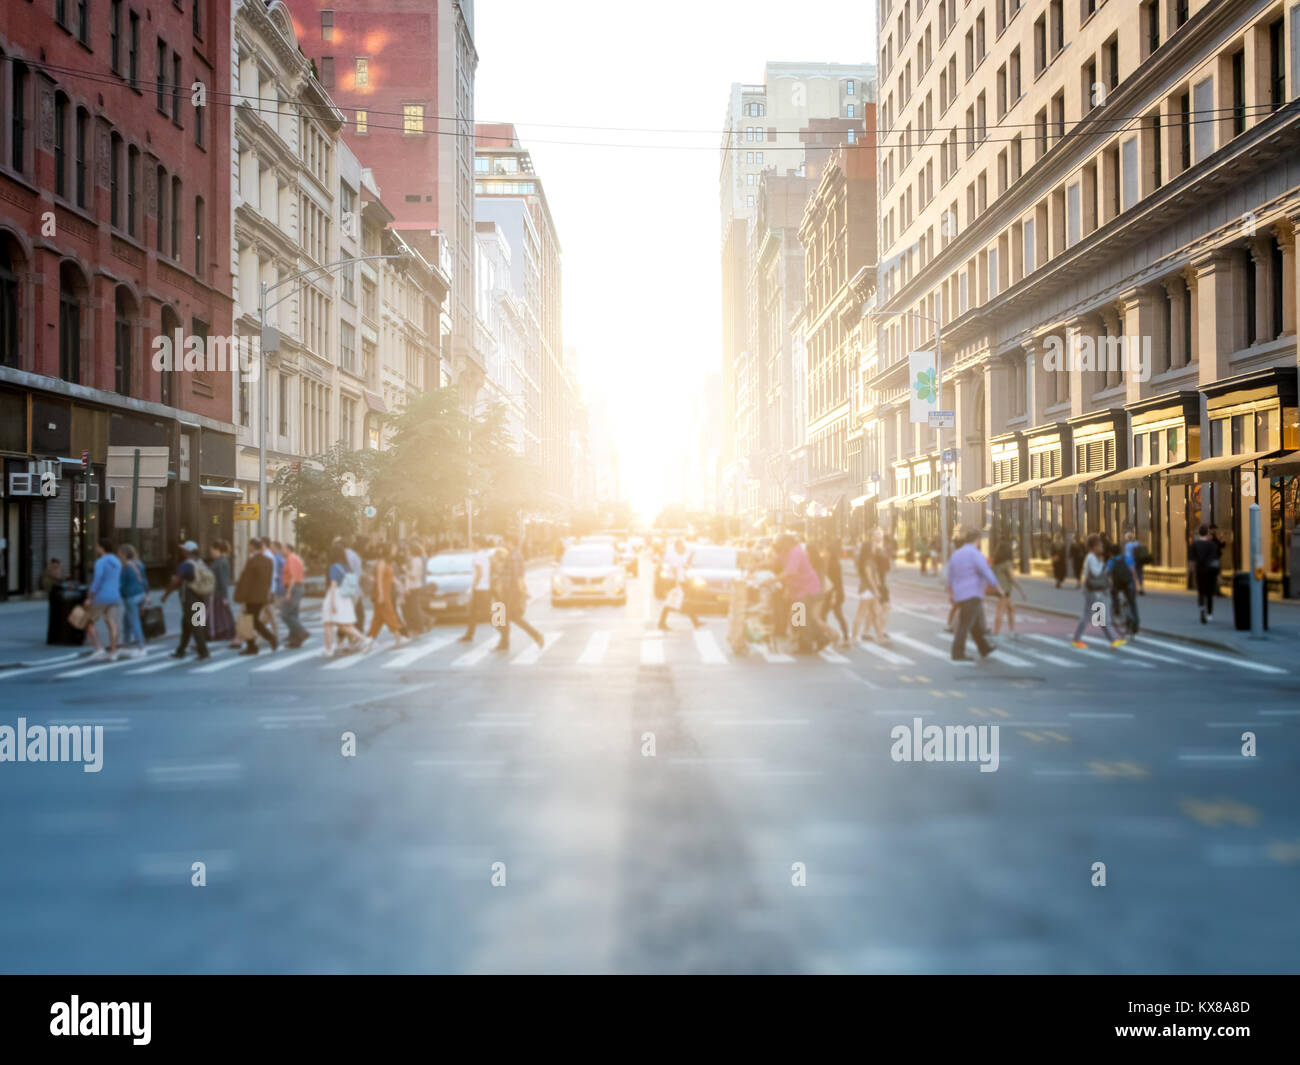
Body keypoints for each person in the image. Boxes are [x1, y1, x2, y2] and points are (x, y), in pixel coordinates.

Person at [945, 529, 1003, 661]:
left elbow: (950, 575)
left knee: (974, 624)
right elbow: (986, 571)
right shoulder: (975, 554)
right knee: (965, 624)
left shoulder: (956, 554)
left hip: (960, 594)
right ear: (977, 540)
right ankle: (957, 653)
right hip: (973, 593)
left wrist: (950, 592)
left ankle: (984, 648)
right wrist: (997, 587)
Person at [774, 533, 825, 653]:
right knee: (800, 618)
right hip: (798, 591)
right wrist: (757, 566)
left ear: (788, 543)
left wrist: (771, 580)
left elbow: (790, 572)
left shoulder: (795, 552)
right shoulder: (785, 552)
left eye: (781, 543)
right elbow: (774, 562)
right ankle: (819, 639)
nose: (779, 546)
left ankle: (808, 644)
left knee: (800, 618)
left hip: (808, 589)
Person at [1072, 534, 1125, 648]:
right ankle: (1112, 639)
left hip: (1093, 590)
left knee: (1096, 616)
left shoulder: (1091, 557)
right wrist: (1101, 563)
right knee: (1094, 616)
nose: (1102, 548)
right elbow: (1096, 573)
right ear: (1094, 547)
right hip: (1093, 591)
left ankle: (1113, 639)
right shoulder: (1091, 557)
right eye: (1100, 546)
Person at [493, 535, 544, 651]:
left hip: (511, 590)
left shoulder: (513, 556)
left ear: (509, 541)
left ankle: (536, 635)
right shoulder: (514, 555)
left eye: (504, 541)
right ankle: (504, 643)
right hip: (510, 590)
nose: (503, 544)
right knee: (506, 617)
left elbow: (517, 576)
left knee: (509, 617)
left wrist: (522, 591)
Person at [162, 540, 211, 660]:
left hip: (190, 599)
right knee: (187, 625)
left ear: (187, 551)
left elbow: (176, 581)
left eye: (184, 550)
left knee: (195, 626)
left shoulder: (186, 565)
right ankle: (181, 650)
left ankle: (203, 652)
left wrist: (166, 595)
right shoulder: (201, 563)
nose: (182, 551)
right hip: (202, 597)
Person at [233, 536, 277, 655]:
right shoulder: (268, 561)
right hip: (262, 596)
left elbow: (246, 581)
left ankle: (257, 644)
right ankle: (257, 643)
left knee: (249, 621)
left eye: (250, 547)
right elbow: (268, 580)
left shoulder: (252, 561)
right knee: (253, 620)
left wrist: (242, 598)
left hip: (251, 597)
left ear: (252, 547)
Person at [321, 542, 367, 657]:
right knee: (345, 625)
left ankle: (329, 649)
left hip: (335, 595)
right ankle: (364, 639)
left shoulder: (333, 567)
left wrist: (331, 602)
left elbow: (333, 585)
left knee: (328, 624)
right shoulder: (346, 567)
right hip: (345, 597)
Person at [83, 538, 123, 661]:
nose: (96, 549)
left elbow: (97, 581)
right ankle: (114, 651)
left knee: (88, 621)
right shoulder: (117, 562)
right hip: (114, 596)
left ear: (101, 548)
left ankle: (98, 648)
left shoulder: (100, 562)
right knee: (112, 623)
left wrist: (90, 596)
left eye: (98, 546)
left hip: (101, 596)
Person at [367, 543, 409, 648]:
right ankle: (398, 637)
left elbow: (392, 578)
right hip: (382, 593)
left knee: (378, 619)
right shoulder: (381, 563)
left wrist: (401, 586)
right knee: (389, 614)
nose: (395, 551)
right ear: (388, 550)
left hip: (386, 593)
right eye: (393, 549)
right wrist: (381, 594)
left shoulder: (389, 563)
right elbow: (379, 580)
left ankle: (369, 640)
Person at [658, 536, 703, 630]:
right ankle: (661, 623)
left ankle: (695, 622)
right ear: (677, 546)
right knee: (671, 603)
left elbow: (681, 568)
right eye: (681, 546)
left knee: (683, 602)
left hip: (680, 582)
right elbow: (675, 570)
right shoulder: (674, 556)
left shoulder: (679, 556)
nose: (683, 547)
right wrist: (677, 584)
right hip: (676, 583)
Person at [458, 537, 495, 642]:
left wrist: (473, 587)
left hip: (479, 588)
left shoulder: (477, 556)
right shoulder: (487, 554)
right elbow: (491, 568)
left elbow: (479, 573)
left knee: (485, 613)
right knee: (474, 612)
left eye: (473, 544)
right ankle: (469, 635)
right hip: (485, 587)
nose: (472, 546)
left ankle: (503, 632)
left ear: (477, 544)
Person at [116, 543, 149, 658]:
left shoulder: (125, 567)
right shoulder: (139, 564)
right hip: (140, 595)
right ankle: (125, 645)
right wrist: (147, 594)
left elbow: (121, 583)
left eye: (119, 553)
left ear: (123, 554)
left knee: (134, 621)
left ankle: (141, 646)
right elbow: (144, 580)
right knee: (126, 620)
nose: (118, 555)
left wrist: (117, 593)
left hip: (130, 597)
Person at [818, 541, 850, 648]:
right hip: (830, 593)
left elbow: (836, 582)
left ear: (829, 552)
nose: (823, 552)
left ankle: (841, 637)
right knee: (826, 615)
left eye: (825, 551)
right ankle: (840, 637)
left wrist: (833, 596)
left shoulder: (834, 564)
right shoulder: (828, 562)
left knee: (833, 615)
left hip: (834, 594)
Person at [990, 539, 1023, 638]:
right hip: (1005, 590)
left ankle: (1012, 632)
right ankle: (996, 633)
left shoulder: (995, 563)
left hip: (998, 588)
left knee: (1010, 609)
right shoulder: (1007, 563)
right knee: (1000, 611)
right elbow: (1012, 578)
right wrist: (1020, 589)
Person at [1190, 524, 1221, 624]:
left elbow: (1191, 560)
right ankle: (1209, 614)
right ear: (1207, 533)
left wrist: (1191, 572)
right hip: (1210, 571)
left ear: (1199, 533)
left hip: (1200, 570)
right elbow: (1216, 560)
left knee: (1201, 591)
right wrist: (1219, 575)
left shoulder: (1195, 544)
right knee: (1209, 592)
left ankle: (1202, 608)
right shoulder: (1212, 545)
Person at [280, 542, 310, 648]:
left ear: (288, 549)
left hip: (293, 587)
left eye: (283, 548)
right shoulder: (296, 558)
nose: (281, 550)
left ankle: (302, 632)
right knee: (293, 614)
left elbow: (293, 577)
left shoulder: (291, 559)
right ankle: (296, 640)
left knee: (285, 614)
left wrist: (288, 592)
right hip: (297, 587)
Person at [1106, 543, 1139, 637]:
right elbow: (1133, 572)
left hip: (1117, 586)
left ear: (1111, 553)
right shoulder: (1127, 559)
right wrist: (1136, 586)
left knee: (1113, 594)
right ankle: (1135, 625)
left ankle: (1117, 610)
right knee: (1132, 604)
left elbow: (1107, 574)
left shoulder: (1111, 561)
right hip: (1128, 585)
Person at [207, 541, 236, 643]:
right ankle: (221, 632)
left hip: (217, 592)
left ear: (217, 550)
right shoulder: (219, 561)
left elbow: (223, 580)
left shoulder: (221, 562)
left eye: (212, 550)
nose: (210, 552)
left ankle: (219, 633)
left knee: (219, 614)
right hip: (216, 592)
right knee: (220, 614)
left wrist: (225, 596)